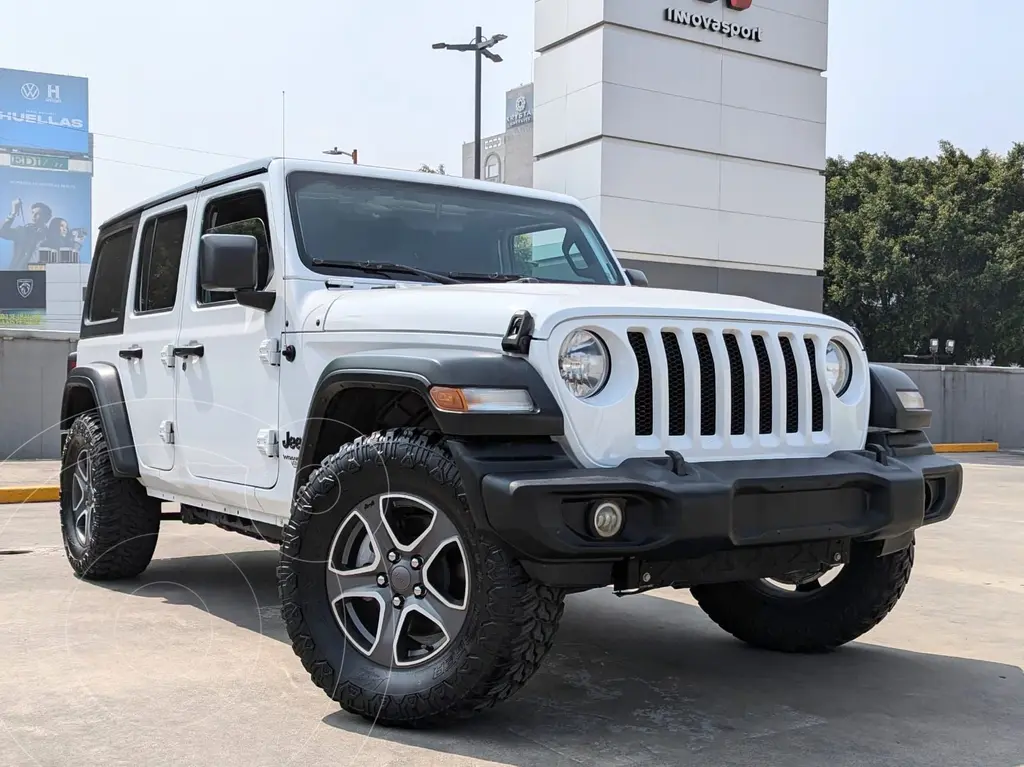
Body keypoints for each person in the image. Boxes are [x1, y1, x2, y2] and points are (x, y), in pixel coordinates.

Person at [0, 199, 52, 270]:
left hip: (43, 274)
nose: (33, 216)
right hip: (19, 274)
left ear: (46, 218)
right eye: (33, 213)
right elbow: (2, 232)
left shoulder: (51, 235)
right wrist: (13, 213)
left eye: (38, 214)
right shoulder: (22, 231)